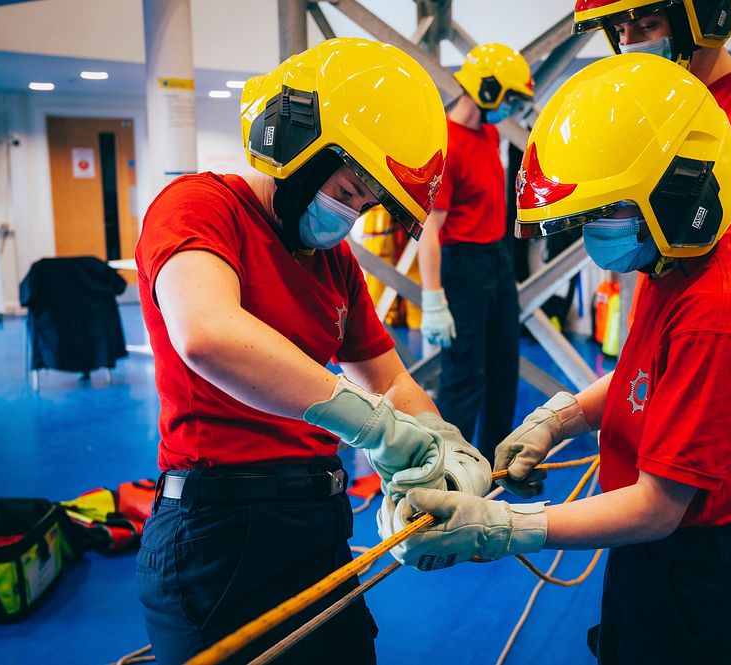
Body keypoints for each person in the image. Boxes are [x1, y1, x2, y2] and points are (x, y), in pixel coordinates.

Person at [379, 55, 731, 665]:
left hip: (706, 592)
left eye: (608, 209)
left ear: (673, 192)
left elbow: (657, 508)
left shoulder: (719, 316)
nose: (594, 230)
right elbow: (640, 377)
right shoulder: (674, 269)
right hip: (655, 565)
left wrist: (501, 526)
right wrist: (558, 420)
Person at [134, 39, 490, 665]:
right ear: (296, 145)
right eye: (349, 190)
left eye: (365, 204)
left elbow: (390, 379)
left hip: (317, 518)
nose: (351, 216)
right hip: (217, 526)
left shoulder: (334, 261)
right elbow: (207, 334)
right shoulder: (199, 207)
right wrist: (376, 429)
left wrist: (445, 446)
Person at [573, 0, 731, 285]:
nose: (629, 46)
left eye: (647, 26)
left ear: (703, 20)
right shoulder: (682, 109)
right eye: (620, 31)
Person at [417, 43, 534, 463]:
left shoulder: (489, 134)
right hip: (463, 266)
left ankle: (494, 466)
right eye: (510, 99)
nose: (512, 109)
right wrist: (434, 298)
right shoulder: (447, 144)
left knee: (504, 373)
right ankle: (452, 470)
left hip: (497, 259)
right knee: (465, 378)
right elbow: (431, 228)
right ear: (487, 90)